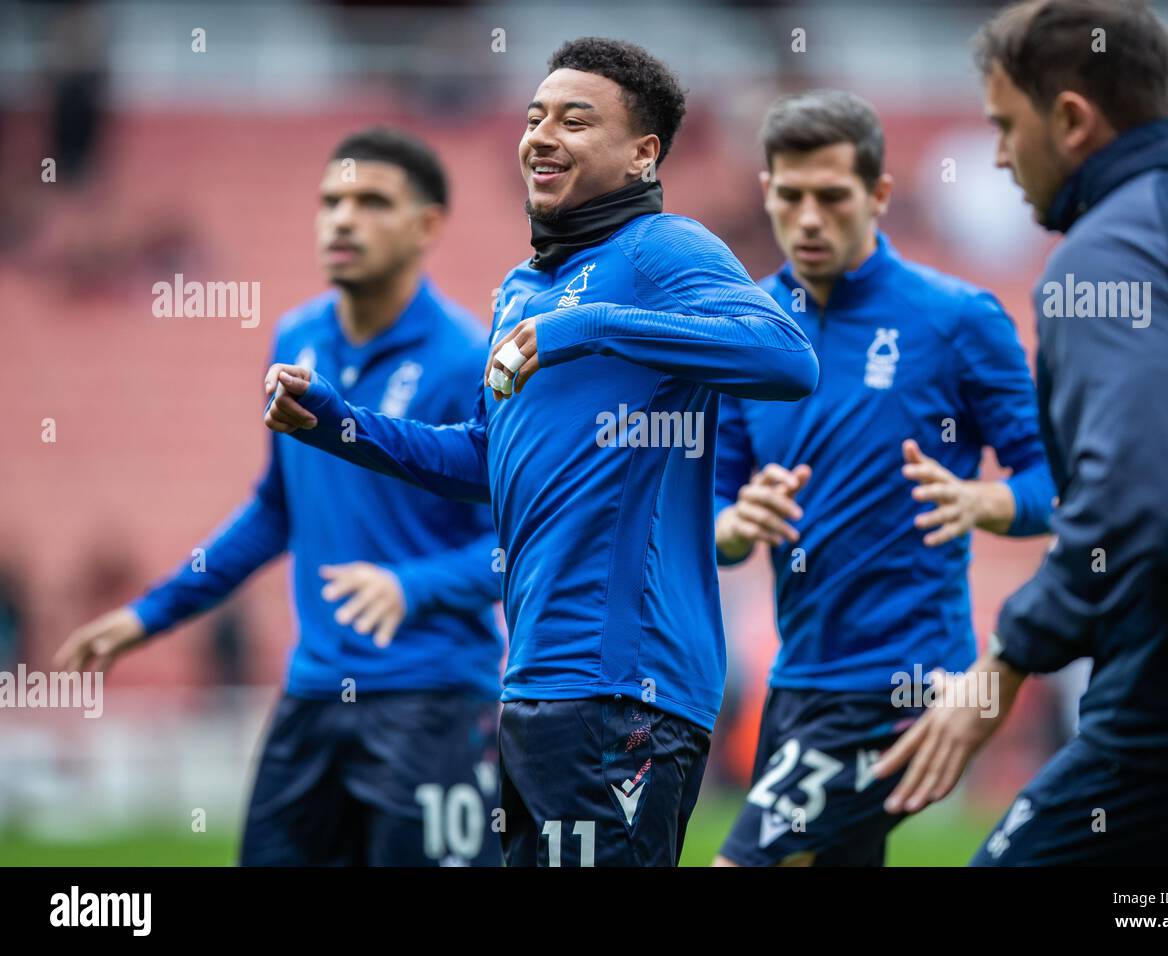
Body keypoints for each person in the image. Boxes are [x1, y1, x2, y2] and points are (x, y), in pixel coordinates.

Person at [261, 38, 819, 867]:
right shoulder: (525, 288)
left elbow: (786, 358)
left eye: (574, 120)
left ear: (642, 154)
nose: (541, 135)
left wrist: (587, 328)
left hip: (630, 686)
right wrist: (339, 424)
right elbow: (486, 461)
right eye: (534, 117)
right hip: (533, 683)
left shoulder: (660, 248)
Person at [875, 0, 1168, 864]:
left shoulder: (1109, 252)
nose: (998, 152)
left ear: (1070, 119)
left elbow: (1128, 497)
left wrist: (1001, 668)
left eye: (1005, 124)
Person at [56, 128, 505, 867]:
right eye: (330, 201)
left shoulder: (467, 360)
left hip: (435, 702)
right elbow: (277, 506)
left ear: (426, 225)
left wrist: (414, 585)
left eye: (370, 202)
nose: (342, 219)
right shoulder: (297, 339)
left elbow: (520, 546)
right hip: (314, 695)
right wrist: (149, 614)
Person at [711, 90, 1053, 867]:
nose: (807, 219)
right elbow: (715, 518)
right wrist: (735, 524)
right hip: (798, 679)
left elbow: (1055, 485)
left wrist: (985, 502)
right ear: (766, 192)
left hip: (900, 682)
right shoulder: (749, 336)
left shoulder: (957, 319)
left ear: (879, 196)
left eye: (832, 197)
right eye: (789, 196)